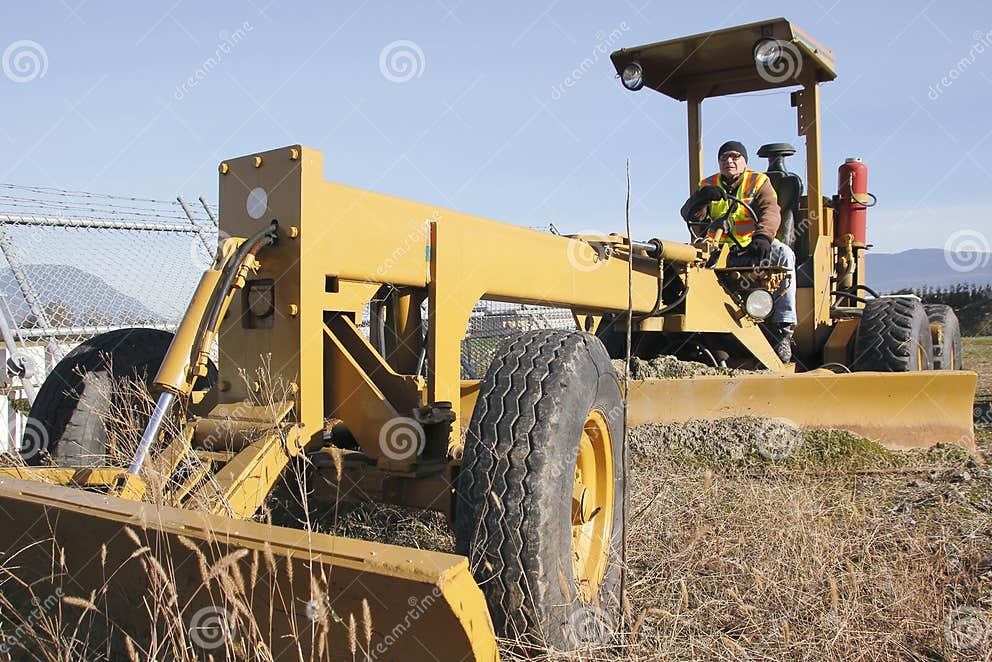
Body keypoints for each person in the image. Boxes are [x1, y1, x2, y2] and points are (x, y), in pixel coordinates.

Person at [680, 140, 797, 363]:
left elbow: (770, 211)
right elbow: (690, 215)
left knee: (784, 254)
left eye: (735, 157)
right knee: (684, 264)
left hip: (754, 249)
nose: (729, 161)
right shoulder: (708, 184)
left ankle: (783, 329)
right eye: (724, 158)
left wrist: (763, 237)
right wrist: (702, 198)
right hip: (719, 251)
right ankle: (699, 335)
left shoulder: (759, 182)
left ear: (744, 161)